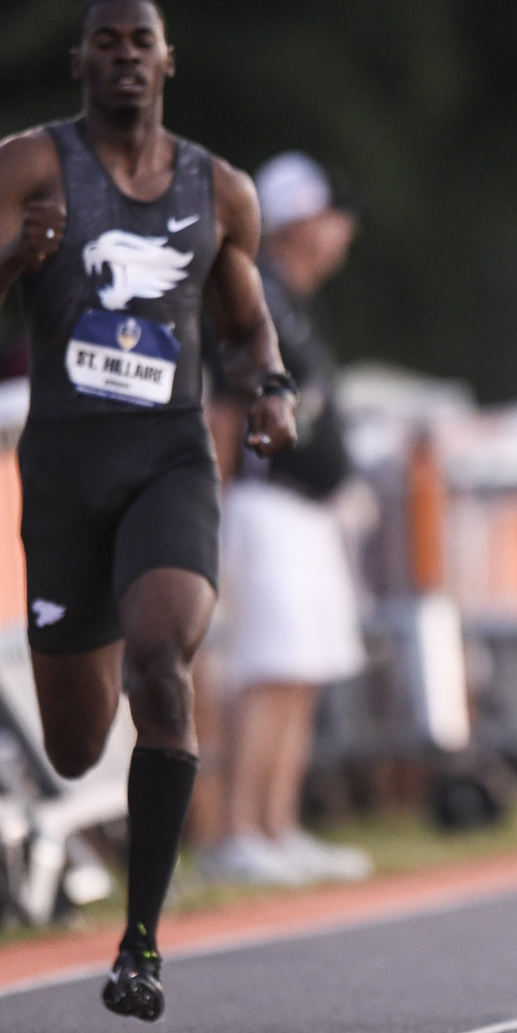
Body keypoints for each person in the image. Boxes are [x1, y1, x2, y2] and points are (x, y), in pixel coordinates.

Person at [0, 0, 297, 1021]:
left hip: (168, 459)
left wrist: (270, 389)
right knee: (76, 745)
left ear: (168, 61)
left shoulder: (220, 189)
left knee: (162, 663)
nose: (126, 56)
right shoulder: (31, 166)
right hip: (64, 471)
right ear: (80, 61)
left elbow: (246, 324)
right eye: (107, 41)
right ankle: (114, 843)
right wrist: (17, 258)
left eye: (143, 42)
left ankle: (140, 943)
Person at [201, 152, 373, 885]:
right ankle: (238, 833)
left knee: (301, 673)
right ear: (303, 220)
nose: (345, 233)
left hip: (305, 511)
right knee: (267, 671)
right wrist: (214, 510)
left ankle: (276, 826)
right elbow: (224, 407)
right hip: (265, 505)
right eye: (334, 217)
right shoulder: (253, 295)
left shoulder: (293, 300)